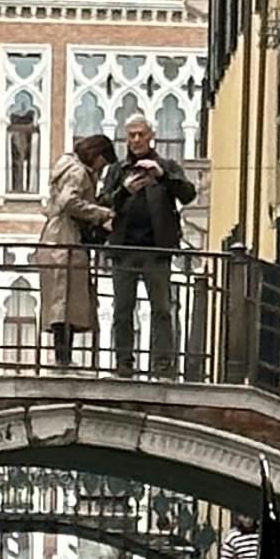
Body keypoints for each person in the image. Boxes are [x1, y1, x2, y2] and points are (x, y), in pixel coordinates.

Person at [103, 117, 195, 376]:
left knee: (162, 310)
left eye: (140, 134)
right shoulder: (118, 171)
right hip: (124, 250)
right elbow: (105, 203)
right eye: (131, 135)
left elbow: (188, 194)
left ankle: (163, 365)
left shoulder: (166, 167)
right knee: (122, 309)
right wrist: (124, 190)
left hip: (157, 250)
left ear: (150, 135)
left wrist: (162, 176)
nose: (135, 140)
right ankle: (123, 363)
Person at [37, 134, 114, 365]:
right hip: (65, 239)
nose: (102, 169)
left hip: (53, 236)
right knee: (65, 300)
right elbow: (69, 202)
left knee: (60, 300)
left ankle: (63, 355)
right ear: (97, 155)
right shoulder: (78, 172)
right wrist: (101, 214)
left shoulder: (66, 165)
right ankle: (63, 357)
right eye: (103, 162)